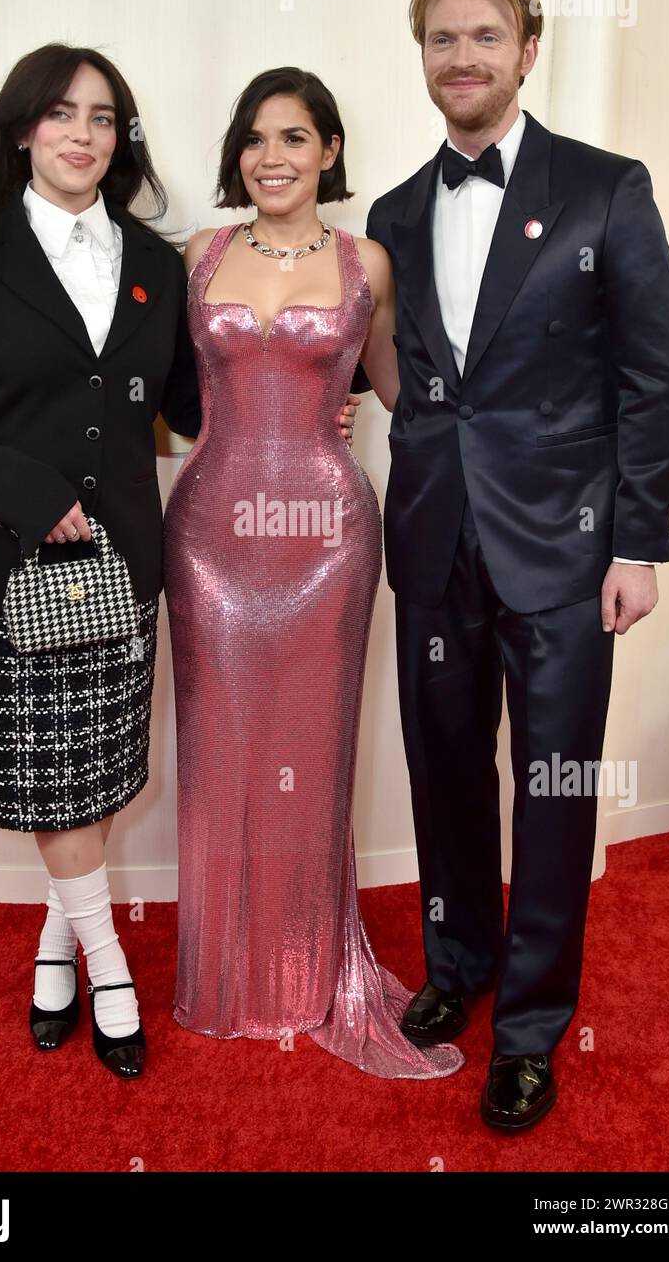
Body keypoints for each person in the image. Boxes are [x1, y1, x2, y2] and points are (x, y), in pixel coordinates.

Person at [365, 0, 669, 1125]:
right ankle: (458, 969)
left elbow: (651, 378)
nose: (461, 58)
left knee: (550, 786)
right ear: (423, 57)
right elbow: (401, 376)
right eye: (441, 39)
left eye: (483, 37)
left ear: (526, 50)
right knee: (441, 770)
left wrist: (635, 544)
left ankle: (535, 1024)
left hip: (566, 547)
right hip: (433, 536)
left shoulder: (606, 188)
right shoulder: (395, 210)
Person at [0, 44, 205, 1080]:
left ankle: (58, 934)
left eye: (103, 117)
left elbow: (193, 405)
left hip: (124, 568)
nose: (82, 133)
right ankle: (108, 962)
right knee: (53, 781)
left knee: (98, 772)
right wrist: (32, 494)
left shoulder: (159, 266)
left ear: (121, 139)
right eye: (61, 113)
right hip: (0, 566)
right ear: (22, 127)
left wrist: (311, 385)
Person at [163, 67, 464, 1080]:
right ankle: (223, 973)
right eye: (254, 139)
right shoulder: (201, 252)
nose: (270, 157)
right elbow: (163, 394)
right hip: (208, 537)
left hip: (326, 537)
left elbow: (400, 389)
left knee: (311, 754)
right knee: (218, 752)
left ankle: (301, 973)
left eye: (293, 137)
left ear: (328, 150)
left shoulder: (364, 257)